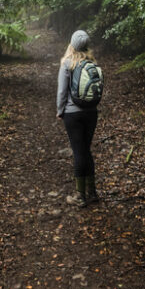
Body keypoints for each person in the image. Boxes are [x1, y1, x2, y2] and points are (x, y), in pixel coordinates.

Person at [56, 29, 101, 206]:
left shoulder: (67, 63)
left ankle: (80, 196)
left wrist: (60, 110)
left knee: (78, 152)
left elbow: (62, 91)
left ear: (72, 44)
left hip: (73, 114)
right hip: (91, 112)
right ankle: (93, 192)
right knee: (86, 150)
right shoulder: (92, 62)